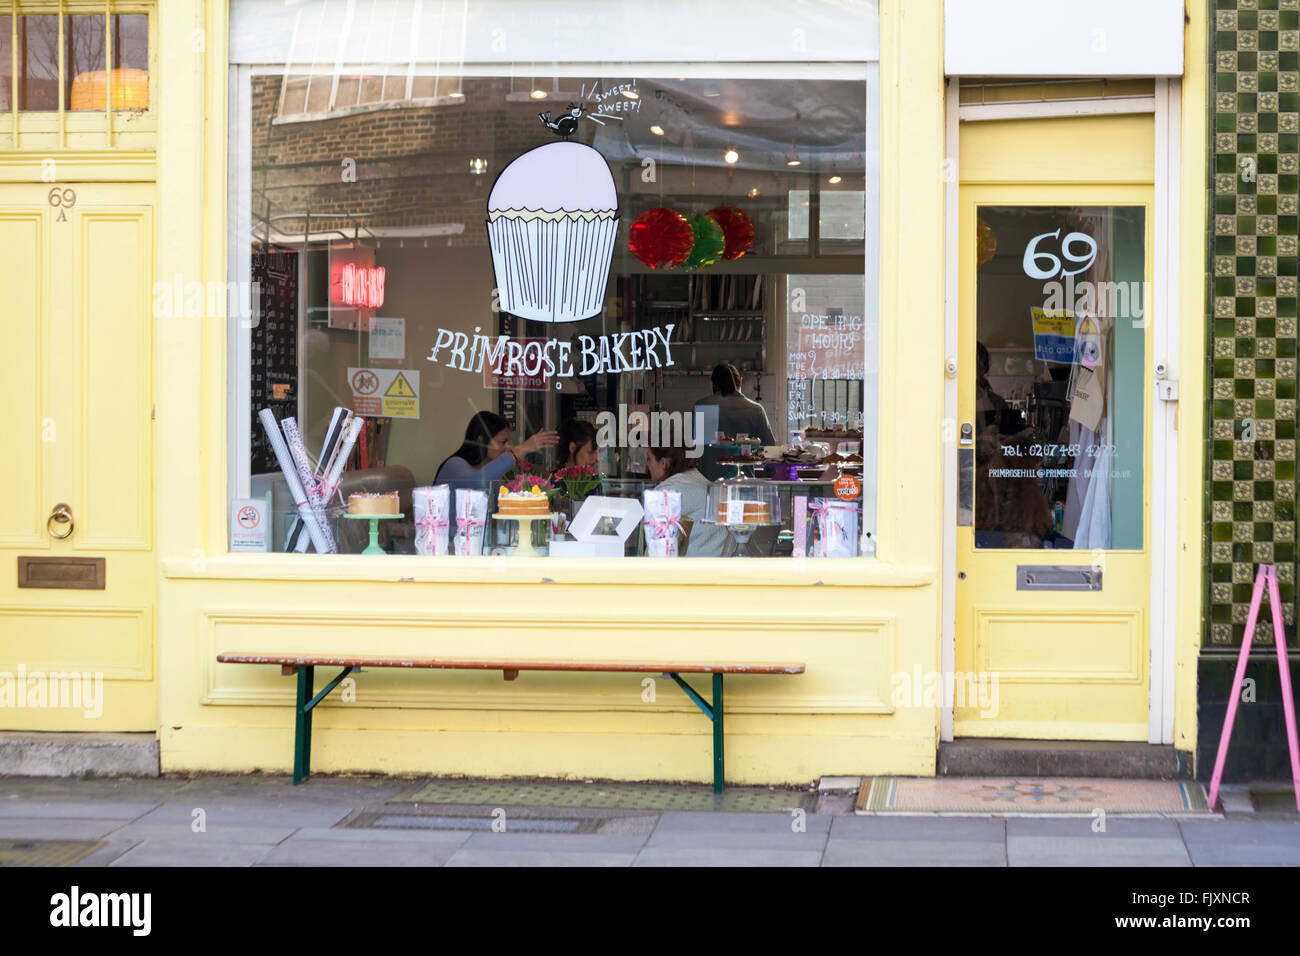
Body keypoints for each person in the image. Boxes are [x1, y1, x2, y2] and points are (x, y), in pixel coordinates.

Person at [433, 410, 557, 490]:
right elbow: (475, 484)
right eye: (503, 442)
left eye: (509, 442)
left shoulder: (491, 475)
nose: (508, 447)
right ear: (481, 440)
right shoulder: (454, 465)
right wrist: (522, 448)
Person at [645, 445, 729, 557]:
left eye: (649, 459)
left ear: (664, 463)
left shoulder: (667, 493)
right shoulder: (704, 484)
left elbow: (652, 544)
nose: (647, 464)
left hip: (690, 570)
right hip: (719, 567)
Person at [694, 362, 776, 446]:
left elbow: (695, 445)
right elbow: (770, 445)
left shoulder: (702, 405)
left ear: (714, 384)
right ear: (740, 381)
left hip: (709, 459)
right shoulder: (756, 409)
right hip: (744, 459)